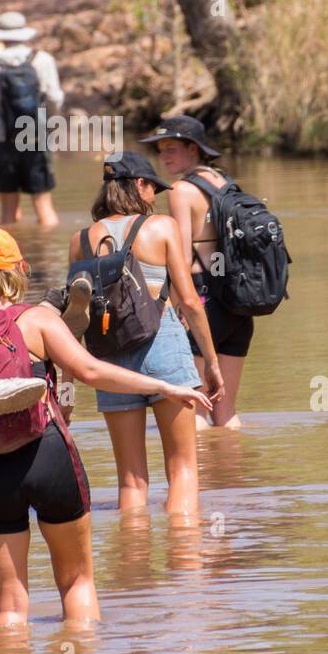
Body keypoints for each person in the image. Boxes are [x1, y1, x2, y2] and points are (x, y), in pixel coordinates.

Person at [0, 226, 212, 628]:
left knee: (7, 610)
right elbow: (90, 370)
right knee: (76, 584)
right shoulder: (35, 320)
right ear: (19, 270)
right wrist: (163, 386)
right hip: (47, 455)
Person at [66, 153, 225, 517]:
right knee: (183, 469)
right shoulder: (162, 227)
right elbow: (189, 301)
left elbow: (75, 317)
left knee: (131, 480)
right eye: (152, 187)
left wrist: (67, 381)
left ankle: (133, 565)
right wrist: (211, 361)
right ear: (138, 184)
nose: (154, 196)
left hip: (109, 359)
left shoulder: (79, 241)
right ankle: (187, 565)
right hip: (163, 346)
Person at [139, 115, 248, 430]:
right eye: (160, 150)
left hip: (203, 301)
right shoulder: (227, 183)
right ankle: (233, 474)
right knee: (226, 413)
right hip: (236, 305)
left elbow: (181, 256)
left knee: (194, 410)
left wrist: (172, 308)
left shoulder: (180, 189)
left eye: (171, 148)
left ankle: (198, 479)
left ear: (193, 149)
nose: (164, 156)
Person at [0, 11, 62, 230]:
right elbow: (54, 97)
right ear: (24, 34)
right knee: (44, 206)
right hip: (35, 137)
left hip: (2, 140)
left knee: (7, 211)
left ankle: (7, 261)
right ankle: (50, 260)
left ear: (1, 36)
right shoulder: (43, 60)